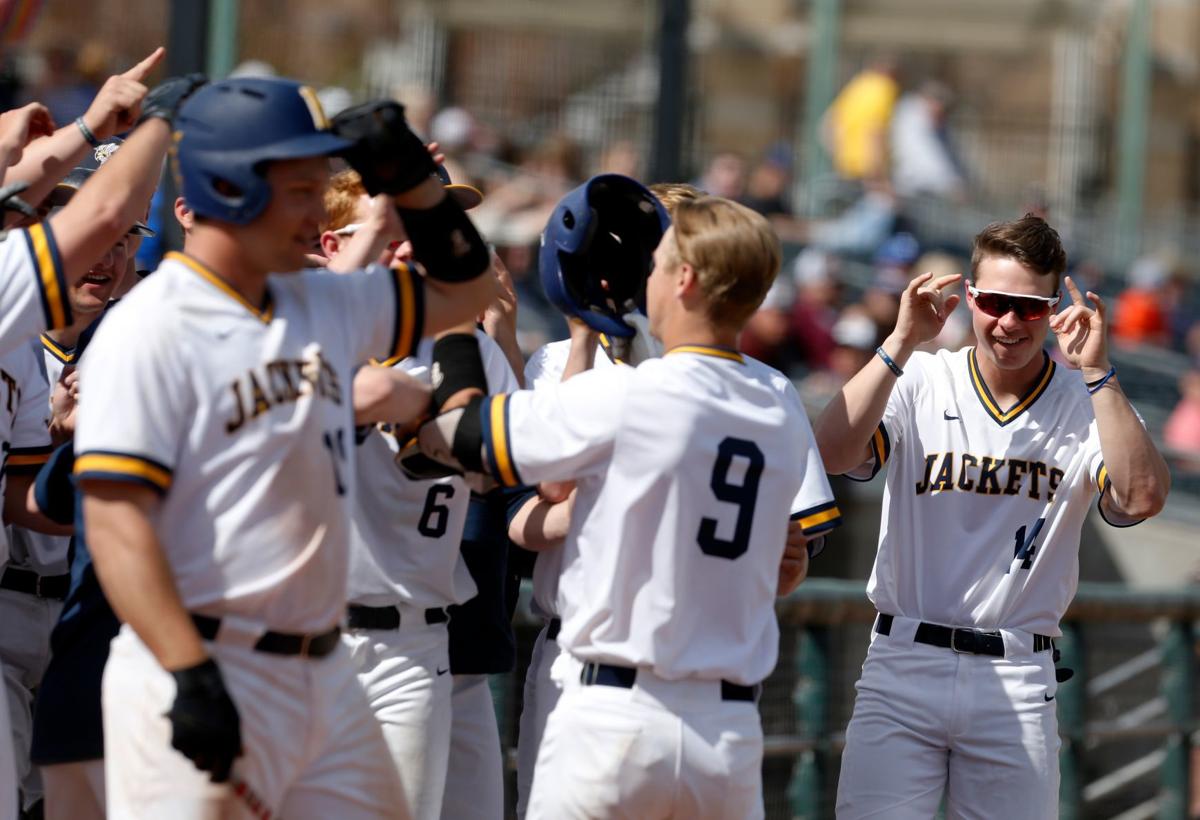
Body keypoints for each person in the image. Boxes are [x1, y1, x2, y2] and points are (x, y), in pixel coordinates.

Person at [72, 77, 495, 818]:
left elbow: (464, 291)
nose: (314, 208)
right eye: (300, 188)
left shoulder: (317, 302)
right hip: (201, 660)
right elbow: (115, 524)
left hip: (323, 672)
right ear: (230, 188)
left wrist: (417, 188)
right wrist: (188, 671)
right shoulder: (152, 326)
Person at [417, 195, 841, 818]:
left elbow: (468, 437)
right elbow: (784, 564)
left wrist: (456, 322)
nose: (647, 278)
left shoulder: (629, 395)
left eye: (658, 264)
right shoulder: (778, 406)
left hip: (614, 718)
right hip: (726, 732)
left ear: (686, 281)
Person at [817, 214, 1171, 818]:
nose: (1008, 323)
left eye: (1028, 307)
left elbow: (1140, 497)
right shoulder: (923, 378)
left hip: (1015, 671)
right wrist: (899, 341)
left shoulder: (1085, 401)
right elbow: (829, 451)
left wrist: (1098, 372)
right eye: (994, 302)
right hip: (904, 660)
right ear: (970, 299)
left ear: (1055, 309)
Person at [317, 167, 519, 820]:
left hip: (412, 643)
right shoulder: (297, 328)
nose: (418, 245)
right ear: (333, 244)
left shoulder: (470, 349)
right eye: (399, 229)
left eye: (433, 227)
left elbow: (498, 470)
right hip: (301, 638)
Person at [3, 135, 154, 817]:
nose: (111, 252)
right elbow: (23, 502)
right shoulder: (10, 338)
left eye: (128, 237)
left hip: (93, 619)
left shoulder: (140, 340)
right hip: (9, 617)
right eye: (97, 228)